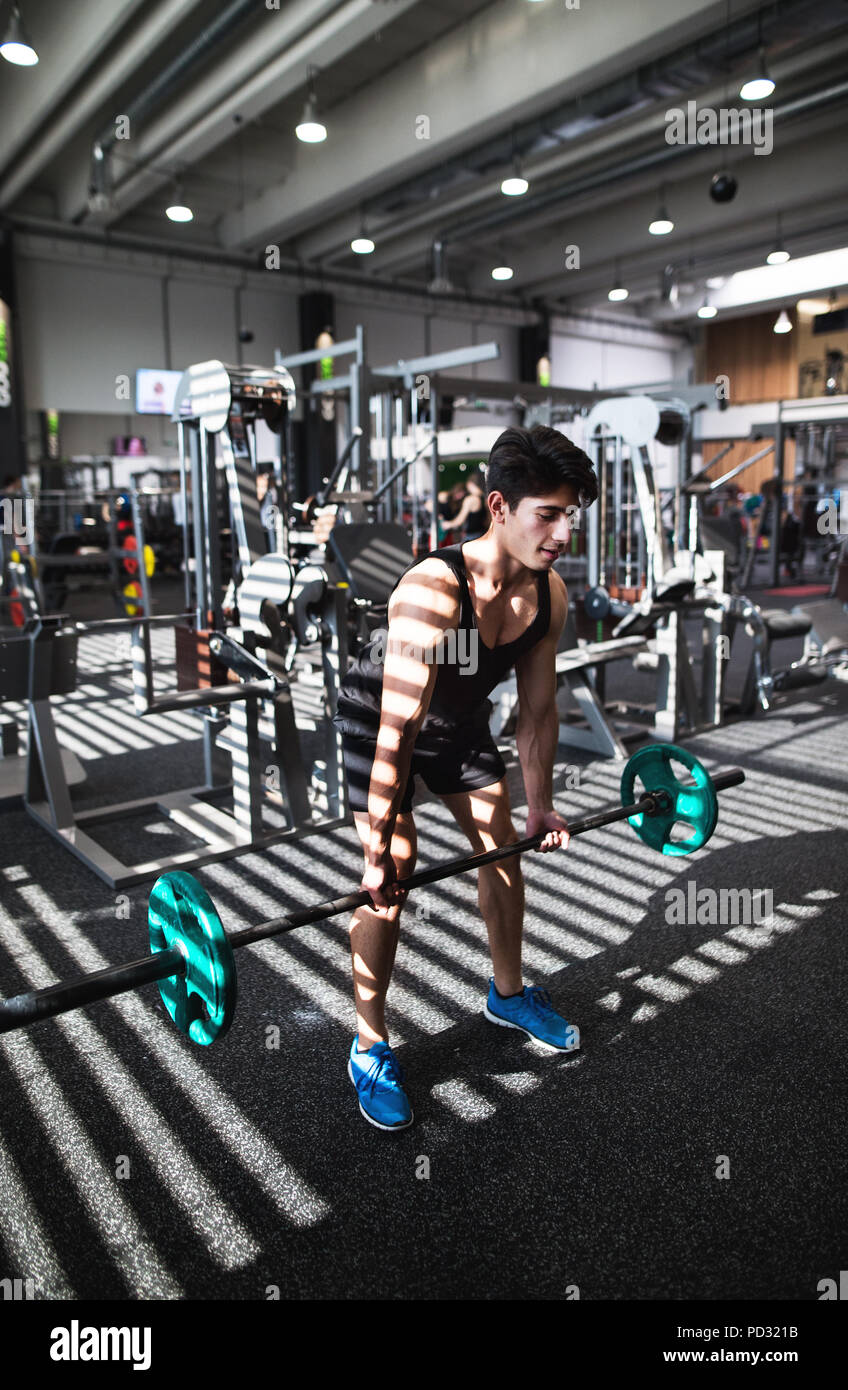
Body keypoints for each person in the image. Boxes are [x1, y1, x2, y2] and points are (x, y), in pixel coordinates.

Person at [332, 425, 599, 1130]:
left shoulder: (548, 598)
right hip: (378, 723)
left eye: (571, 514)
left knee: (503, 846)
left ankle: (507, 993)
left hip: (456, 727)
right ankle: (369, 1043)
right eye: (550, 513)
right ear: (499, 507)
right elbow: (396, 733)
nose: (564, 531)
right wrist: (373, 855)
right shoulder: (432, 592)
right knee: (394, 874)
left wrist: (541, 807)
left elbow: (538, 715)